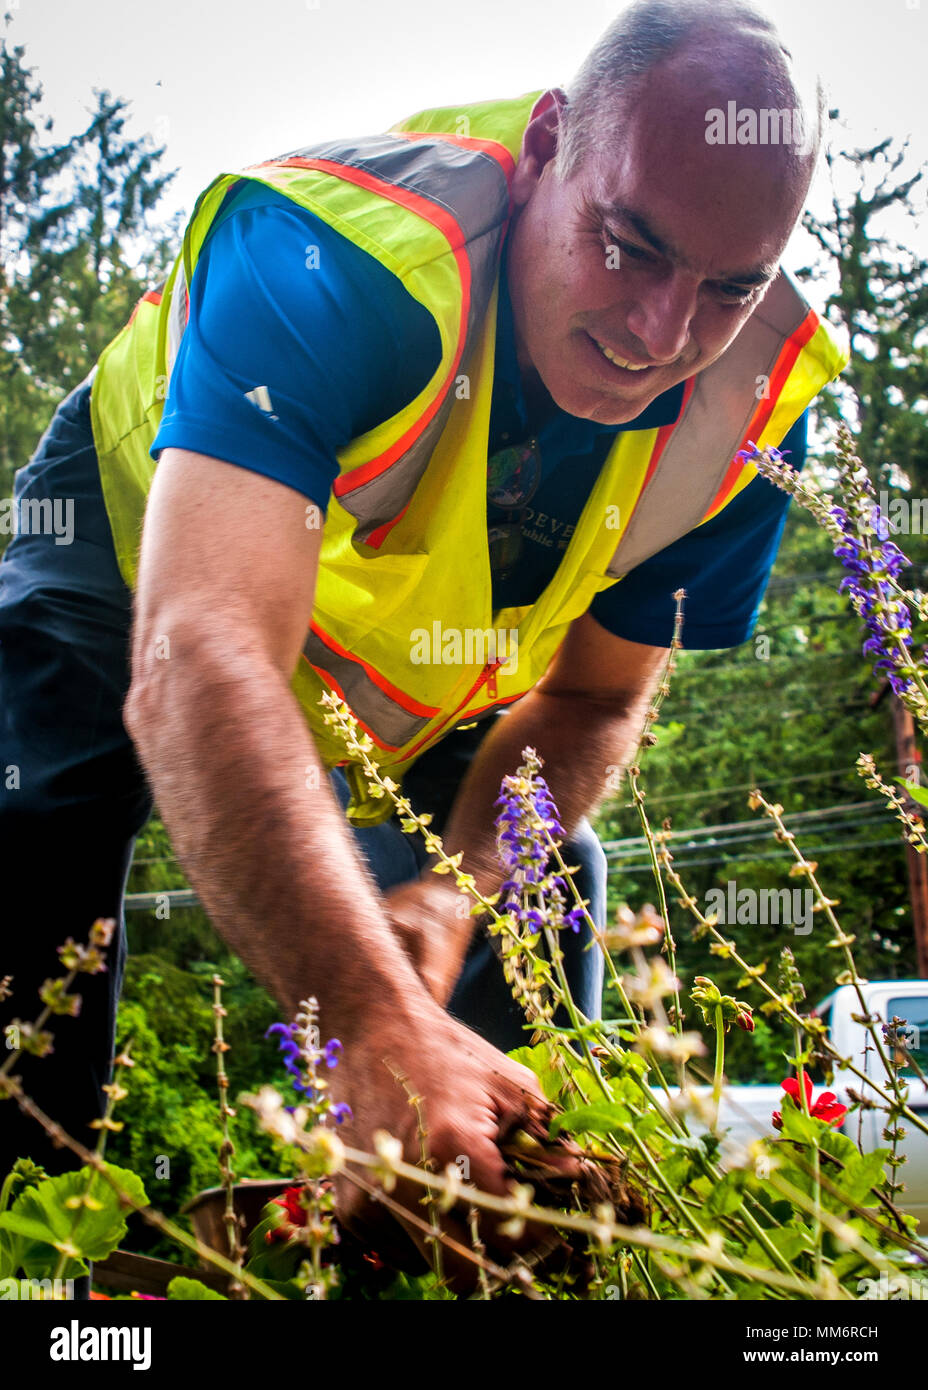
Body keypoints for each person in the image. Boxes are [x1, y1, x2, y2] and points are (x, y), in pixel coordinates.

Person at [0, 0, 846, 1286]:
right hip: (146, 561)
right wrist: (363, 1019)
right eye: (629, 247)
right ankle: (39, 1251)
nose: (660, 337)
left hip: (396, 669)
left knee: (532, 911)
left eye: (727, 287)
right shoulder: (335, 254)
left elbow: (593, 706)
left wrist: (445, 900)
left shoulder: (742, 412)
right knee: (31, 824)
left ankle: (444, 1230)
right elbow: (203, 648)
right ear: (552, 141)